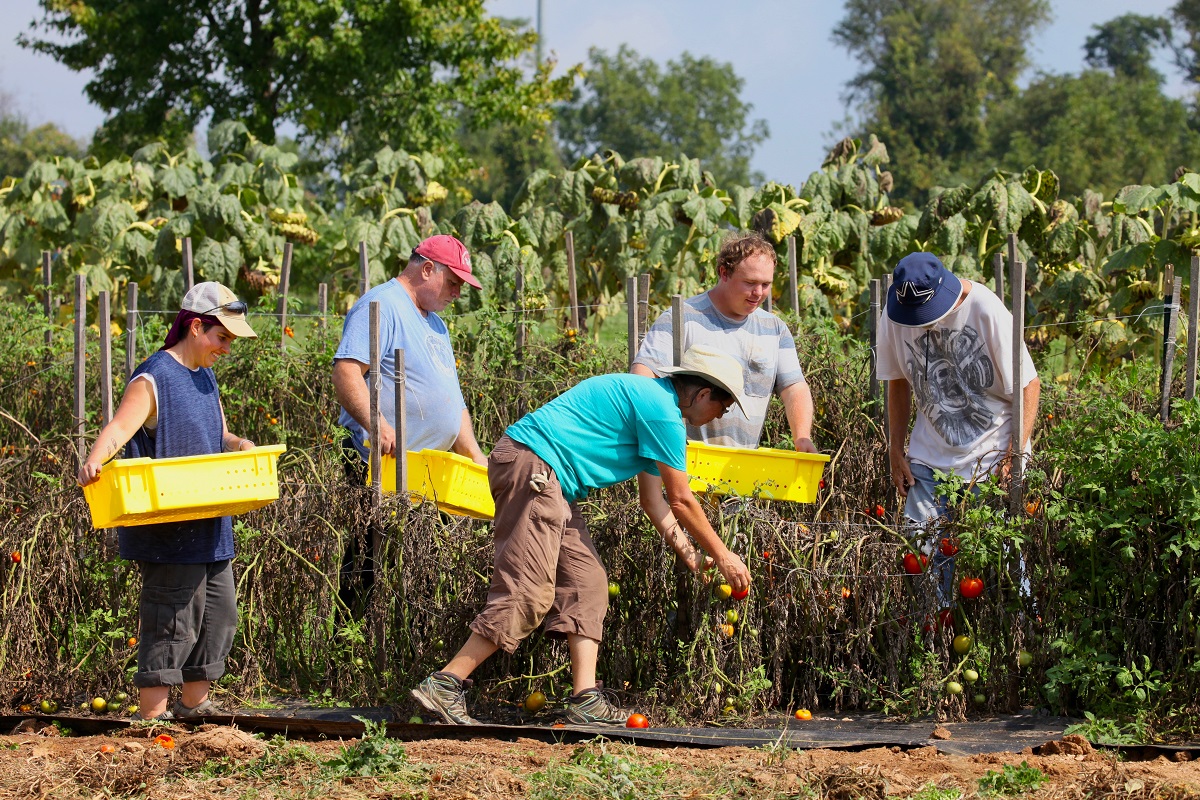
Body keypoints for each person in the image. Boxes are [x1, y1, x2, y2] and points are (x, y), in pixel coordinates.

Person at [411, 345, 753, 725]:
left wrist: (691, 556)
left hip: (548, 479)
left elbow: (654, 503)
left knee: (587, 583)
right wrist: (724, 555)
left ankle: (585, 700)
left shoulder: (652, 404)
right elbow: (682, 500)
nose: (715, 419)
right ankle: (445, 683)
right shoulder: (662, 412)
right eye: (720, 409)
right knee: (527, 590)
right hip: (535, 467)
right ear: (703, 394)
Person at [77, 281, 258, 721]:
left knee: (218, 614)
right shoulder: (154, 376)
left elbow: (217, 434)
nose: (226, 348)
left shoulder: (205, 376)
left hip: (211, 520)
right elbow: (120, 428)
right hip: (170, 525)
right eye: (222, 337)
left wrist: (238, 444)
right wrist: (95, 459)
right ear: (196, 326)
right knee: (172, 618)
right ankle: (152, 719)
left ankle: (196, 706)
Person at [331, 234, 487, 616]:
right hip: (379, 459)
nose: (457, 293)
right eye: (453, 283)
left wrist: (475, 456)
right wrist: (377, 422)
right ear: (427, 268)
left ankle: (407, 651)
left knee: (420, 566)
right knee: (367, 563)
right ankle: (348, 652)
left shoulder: (435, 324)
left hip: (428, 468)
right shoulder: (382, 305)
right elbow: (347, 371)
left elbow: (452, 399)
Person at [631, 231, 817, 545]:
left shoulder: (774, 329)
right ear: (724, 273)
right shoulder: (682, 319)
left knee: (737, 560)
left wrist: (802, 436)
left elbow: (794, 387)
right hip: (684, 477)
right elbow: (642, 375)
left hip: (745, 478)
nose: (759, 292)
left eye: (766, 284)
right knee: (689, 565)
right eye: (749, 283)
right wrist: (664, 436)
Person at [877, 252, 1040, 604]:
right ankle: (934, 643)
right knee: (921, 557)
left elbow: (1029, 385)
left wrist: (1014, 450)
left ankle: (1025, 629)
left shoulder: (985, 309)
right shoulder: (893, 316)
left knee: (1001, 556)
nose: (918, 324)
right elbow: (897, 384)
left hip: (993, 457)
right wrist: (895, 448)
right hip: (928, 457)